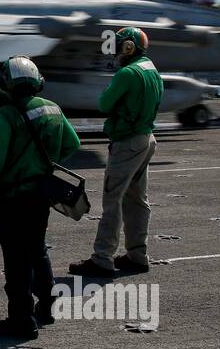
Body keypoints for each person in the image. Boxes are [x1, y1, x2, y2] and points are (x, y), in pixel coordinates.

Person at [0, 56, 80, 339]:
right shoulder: (54, 109)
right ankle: (46, 306)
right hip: (41, 195)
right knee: (37, 249)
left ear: (5, 84)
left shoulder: (7, 115)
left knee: (15, 258)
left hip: (13, 197)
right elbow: (73, 143)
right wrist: (45, 163)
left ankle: (21, 319)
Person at [69, 27, 163, 278]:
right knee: (137, 199)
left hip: (127, 142)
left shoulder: (127, 73)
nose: (117, 50)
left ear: (129, 47)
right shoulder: (151, 68)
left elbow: (104, 103)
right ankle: (137, 255)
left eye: (120, 46)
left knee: (113, 201)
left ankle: (102, 258)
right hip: (147, 138)